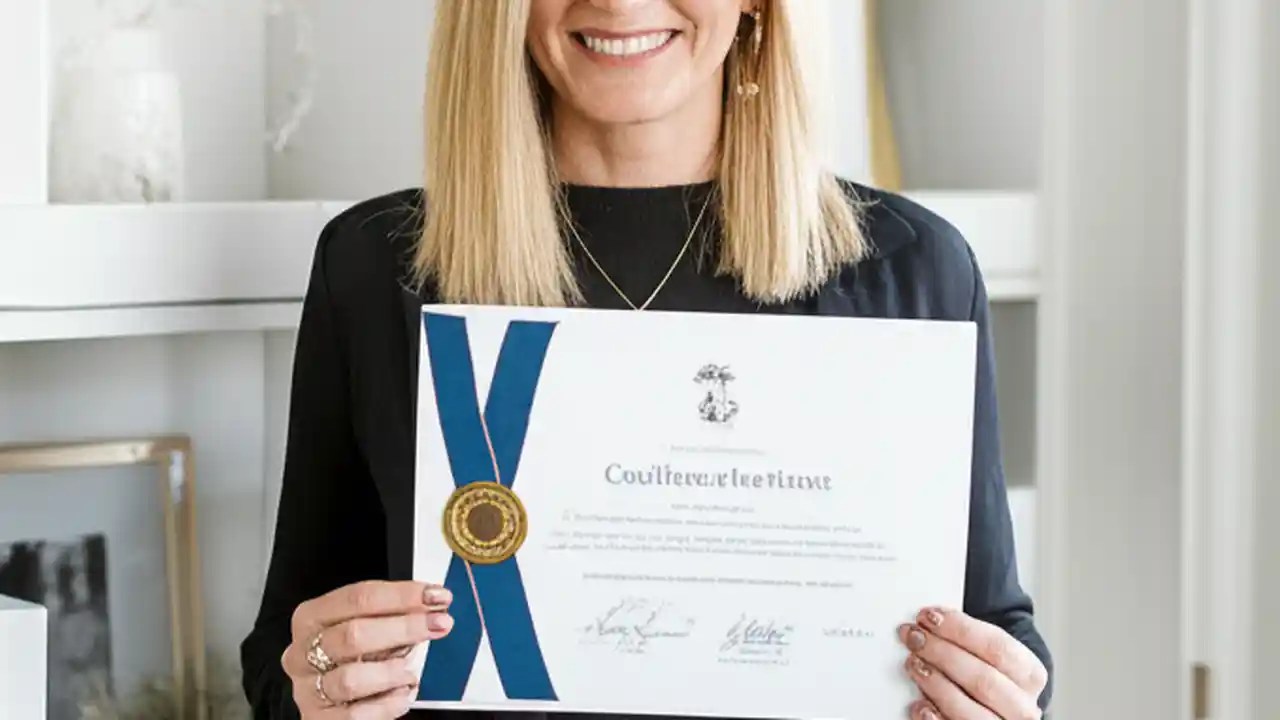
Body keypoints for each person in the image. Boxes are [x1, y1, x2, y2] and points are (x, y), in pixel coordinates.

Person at [240, 1, 1053, 718]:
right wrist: (316, 684)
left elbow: (996, 632)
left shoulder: (914, 273)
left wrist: (999, 695)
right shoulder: (376, 269)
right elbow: (284, 658)